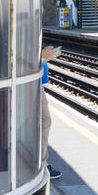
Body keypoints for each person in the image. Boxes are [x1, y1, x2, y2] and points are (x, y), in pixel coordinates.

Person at [40, 44, 62, 179]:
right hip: (32, 84)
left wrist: (43, 57)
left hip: (36, 82)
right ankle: (41, 163)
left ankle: (41, 161)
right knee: (44, 121)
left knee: (43, 121)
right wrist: (41, 55)